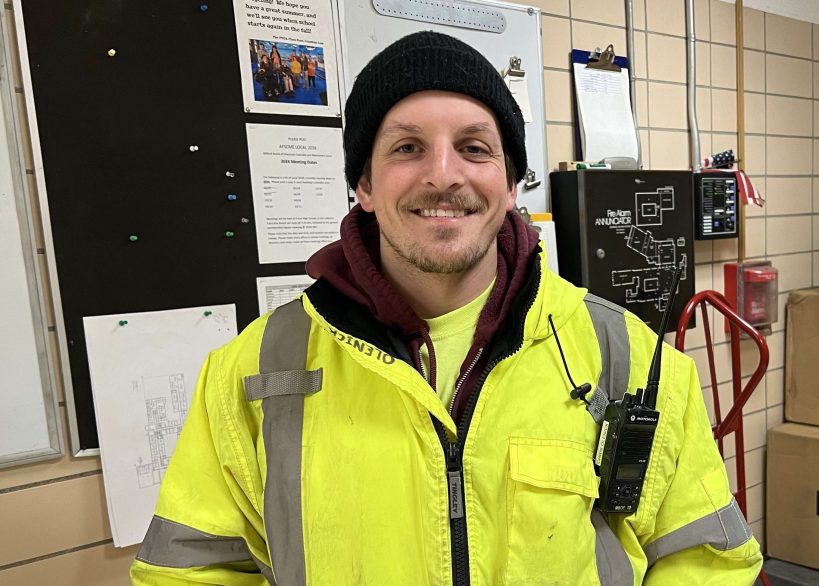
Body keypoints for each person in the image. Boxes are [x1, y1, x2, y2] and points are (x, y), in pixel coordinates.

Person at [130, 31, 761, 585]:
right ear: (364, 184)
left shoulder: (632, 359)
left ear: (510, 184)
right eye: (406, 148)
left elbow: (707, 561)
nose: (443, 175)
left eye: (475, 148)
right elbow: (190, 572)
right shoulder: (253, 373)